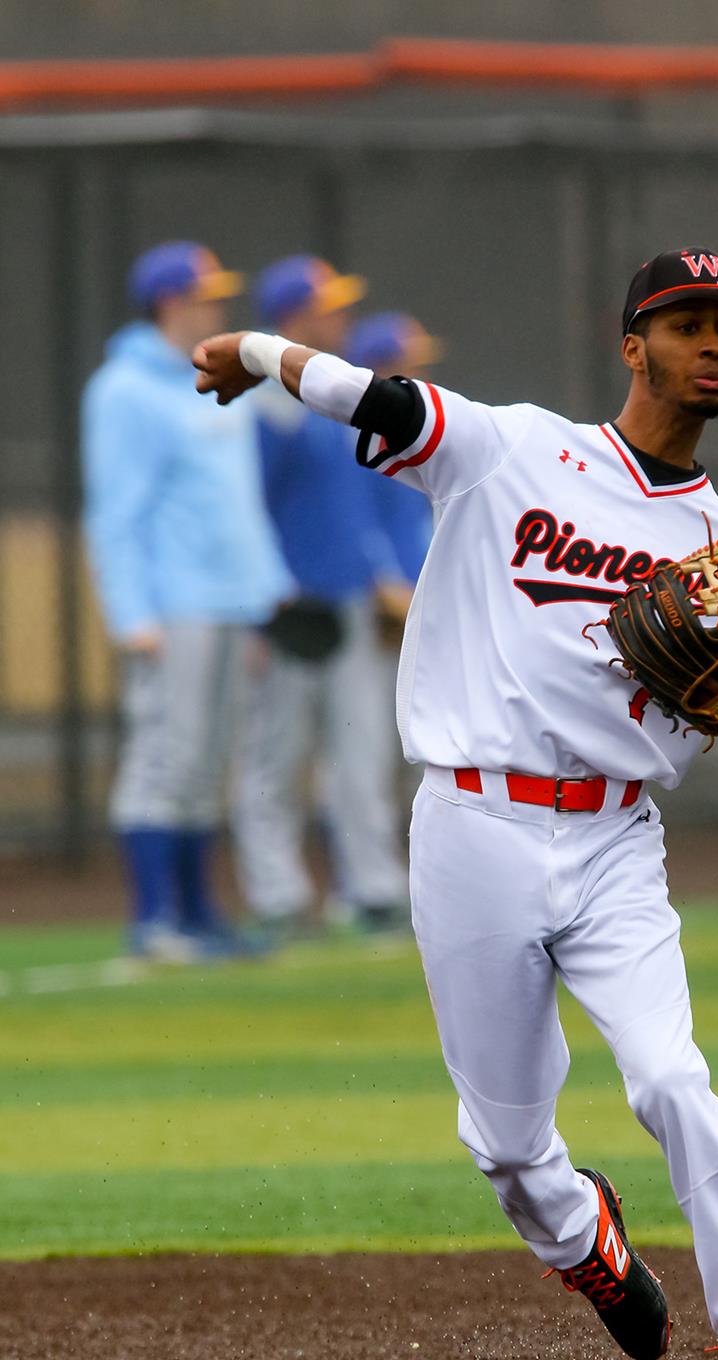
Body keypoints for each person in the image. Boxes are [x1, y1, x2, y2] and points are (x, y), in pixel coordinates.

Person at [193, 248, 718, 1360]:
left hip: (615, 840)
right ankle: (585, 1238)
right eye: (689, 324)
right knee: (507, 1148)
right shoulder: (515, 450)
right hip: (472, 825)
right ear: (634, 344)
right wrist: (253, 354)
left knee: (676, 1082)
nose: (716, 346)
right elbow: (371, 398)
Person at [82, 241, 291, 960]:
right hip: (174, 606)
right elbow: (117, 512)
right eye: (207, 294)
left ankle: (199, 915)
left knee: (209, 764)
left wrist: (264, 597)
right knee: (164, 759)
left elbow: (239, 503)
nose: (219, 306)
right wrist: (131, 614)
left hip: (233, 600)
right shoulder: (124, 388)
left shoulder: (210, 376)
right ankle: (157, 919)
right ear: (172, 301)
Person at [232, 261, 429, 937]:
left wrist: (380, 580)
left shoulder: (329, 401)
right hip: (288, 609)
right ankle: (277, 895)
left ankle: (372, 889)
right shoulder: (266, 403)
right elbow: (244, 507)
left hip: (347, 601)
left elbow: (357, 510)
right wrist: (263, 599)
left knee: (361, 752)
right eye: (327, 308)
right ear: (293, 318)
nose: (340, 319)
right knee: (275, 758)